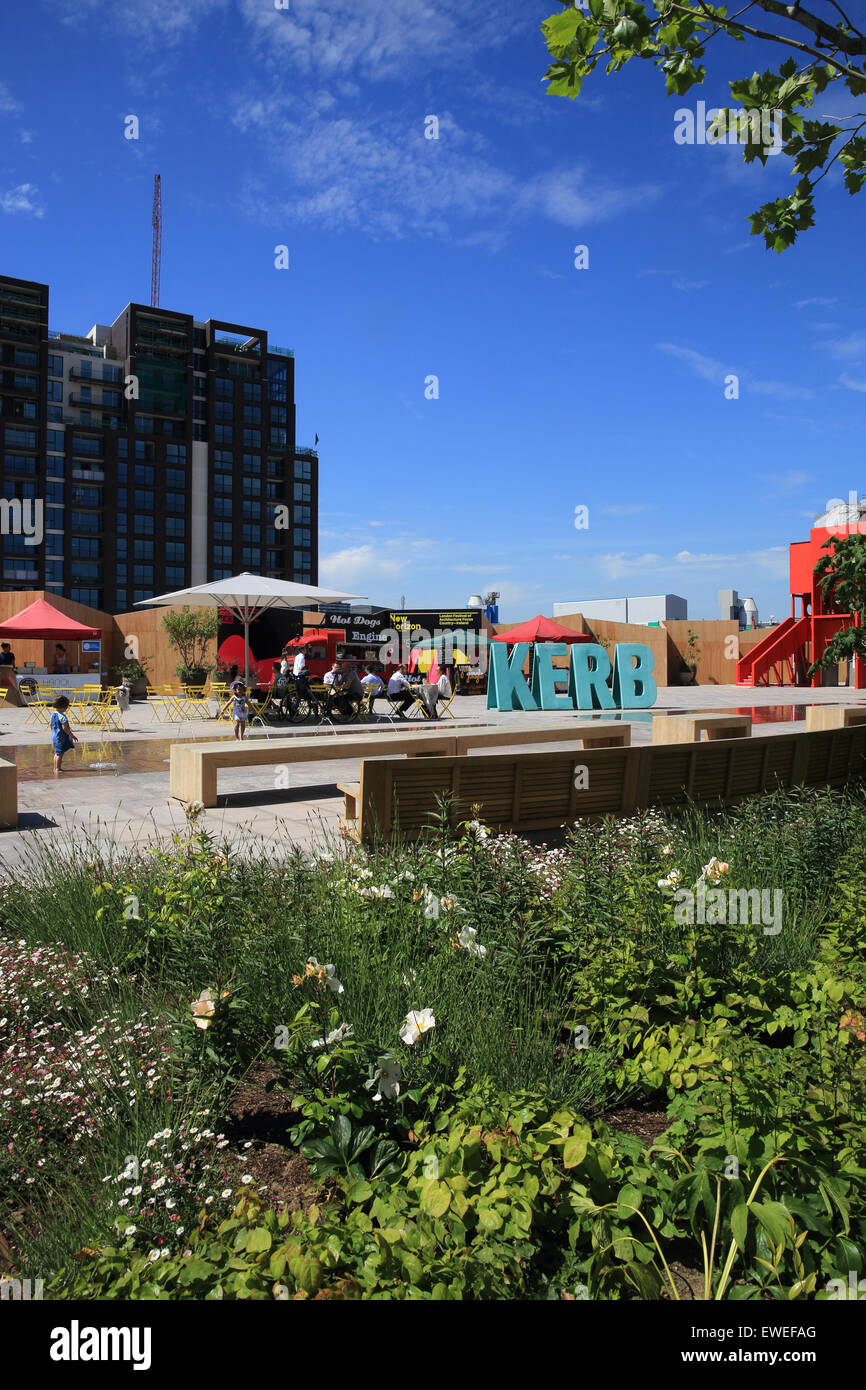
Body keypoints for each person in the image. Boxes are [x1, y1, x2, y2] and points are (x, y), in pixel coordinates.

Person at [50, 695, 77, 774]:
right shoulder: (62, 717)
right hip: (61, 737)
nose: (67, 708)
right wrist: (72, 735)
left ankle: (55, 768)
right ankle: (58, 769)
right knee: (60, 754)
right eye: (67, 707)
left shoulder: (53, 714)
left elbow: (51, 725)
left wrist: (54, 732)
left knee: (57, 753)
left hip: (55, 736)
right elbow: (65, 728)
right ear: (63, 706)